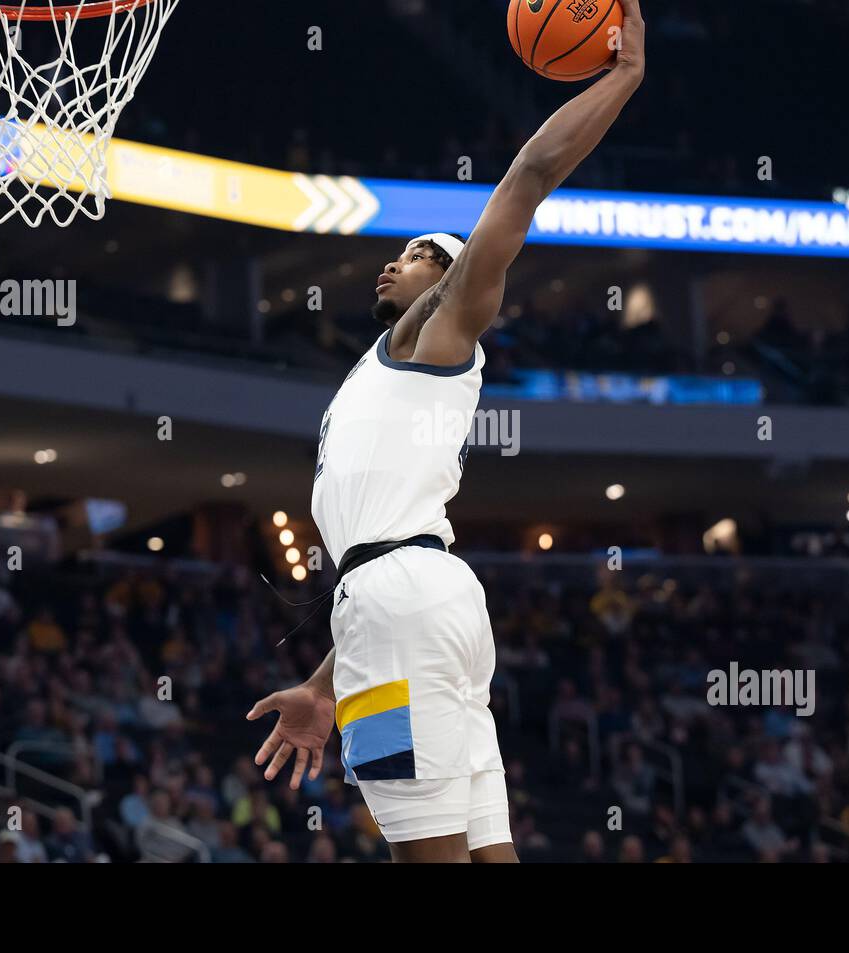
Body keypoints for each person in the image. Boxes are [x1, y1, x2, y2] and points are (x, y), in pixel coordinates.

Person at [247, 1, 647, 863]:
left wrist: (620, 77)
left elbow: (529, 175)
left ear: (451, 272)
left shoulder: (440, 327)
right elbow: (377, 559)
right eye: (394, 256)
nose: (394, 261)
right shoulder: (376, 373)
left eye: (421, 251)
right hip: (421, 605)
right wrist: (326, 684)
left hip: (403, 608)